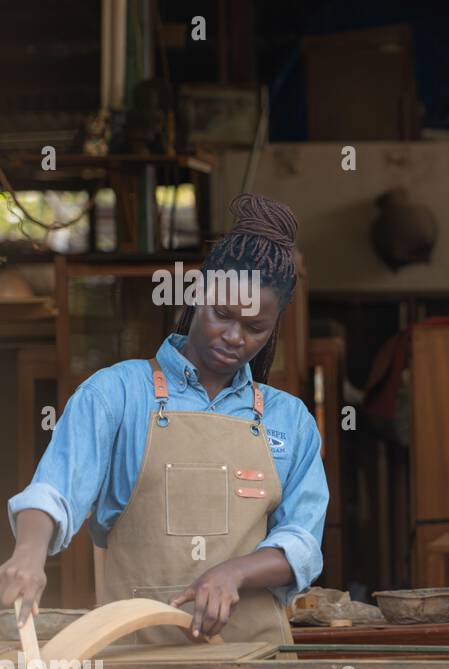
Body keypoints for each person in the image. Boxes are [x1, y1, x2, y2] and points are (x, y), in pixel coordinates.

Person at [1, 194, 327, 645]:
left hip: (257, 663)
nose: (234, 337)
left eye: (255, 328)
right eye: (222, 315)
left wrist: (234, 572)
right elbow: (55, 490)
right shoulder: (116, 393)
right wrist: (29, 553)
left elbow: (303, 542)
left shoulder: (289, 420)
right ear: (197, 295)